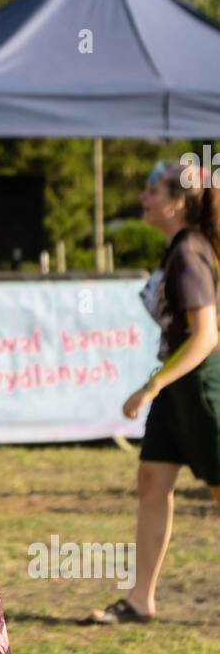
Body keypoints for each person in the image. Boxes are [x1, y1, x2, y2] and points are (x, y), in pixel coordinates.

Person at [87, 159, 220, 624]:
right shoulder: (182, 248)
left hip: (200, 382)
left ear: (178, 203)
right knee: (152, 481)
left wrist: (152, 385)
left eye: (152, 190)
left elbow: (206, 336)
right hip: (178, 382)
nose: (143, 198)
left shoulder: (189, 252)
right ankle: (141, 599)